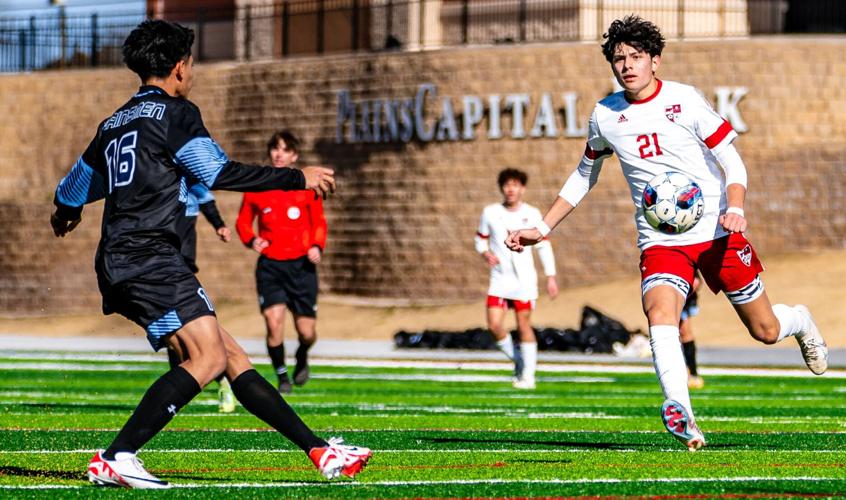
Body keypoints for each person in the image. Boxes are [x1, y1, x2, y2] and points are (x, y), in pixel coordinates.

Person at [50, 20, 370, 489]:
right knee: (208, 358)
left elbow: (73, 187)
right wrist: (296, 178)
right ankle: (118, 456)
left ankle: (319, 451)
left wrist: (66, 214)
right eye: (192, 63)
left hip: (121, 259)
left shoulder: (113, 123)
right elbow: (218, 172)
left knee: (230, 355)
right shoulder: (176, 114)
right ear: (180, 67)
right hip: (151, 256)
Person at [505, 15, 827, 451]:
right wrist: (542, 227)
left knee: (766, 330)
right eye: (619, 59)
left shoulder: (685, 100)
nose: (627, 65)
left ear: (655, 60)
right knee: (660, 314)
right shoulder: (605, 115)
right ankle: (682, 413)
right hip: (661, 241)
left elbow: (732, 162)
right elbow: (584, 174)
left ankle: (800, 320)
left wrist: (735, 208)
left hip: (717, 231)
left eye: (636, 56)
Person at [236, 131, 326, 394]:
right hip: (271, 267)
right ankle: (282, 376)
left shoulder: (307, 187)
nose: (279, 154)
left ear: (294, 156)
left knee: (306, 332)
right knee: (273, 323)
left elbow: (319, 223)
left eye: (285, 150)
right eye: (275, 149)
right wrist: (252, 239)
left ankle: (302, 355)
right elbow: (243, 222)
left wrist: (316, 245)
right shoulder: (257, 187)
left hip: (301, 267)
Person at [475, 168, 558, 390]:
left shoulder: (532, 213)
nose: (510, 189)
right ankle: (519, 361)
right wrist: (485, 253)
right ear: (501, 188)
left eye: (515, 185)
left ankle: (528, 376)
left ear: (522, 188)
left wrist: (551, 276)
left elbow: (543, 246)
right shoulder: (490, 212)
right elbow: (480, 239)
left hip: (524, 282)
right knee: (494, 325)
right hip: (499, 279)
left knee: (523, 325)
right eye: (507, 185)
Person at [166, 184, 237, 412]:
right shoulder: (154, 181)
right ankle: (181, 390)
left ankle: (222, 380)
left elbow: (206, 198)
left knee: (184, 328)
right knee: (171, 332)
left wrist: (219, 225)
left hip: (180, 264)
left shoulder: (187, 177)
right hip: (157, 263)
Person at [680, 273, 704, 390]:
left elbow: (696, 281)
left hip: (682, 291)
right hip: (671, 288)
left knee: (685, 333)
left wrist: (695, 280)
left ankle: (693, 373)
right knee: (680, 333)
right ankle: (688, 372)